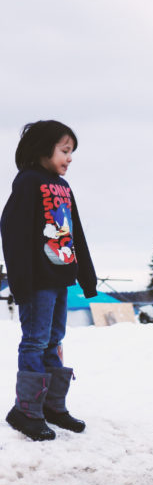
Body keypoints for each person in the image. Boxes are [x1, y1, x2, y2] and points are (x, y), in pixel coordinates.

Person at [1, 120, 97, 441]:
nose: (69, 158)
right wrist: (20, 280)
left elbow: (76, 233)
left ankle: (52, 406)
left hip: (60, 277)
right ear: (44, 148)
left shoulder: (63, 187)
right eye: (65, 151)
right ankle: (26, 411)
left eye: (71, 153)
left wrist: (86, 275)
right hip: (36, 281)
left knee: (55, 340)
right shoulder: (28, 182)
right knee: (36, 340)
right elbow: (12, 231)